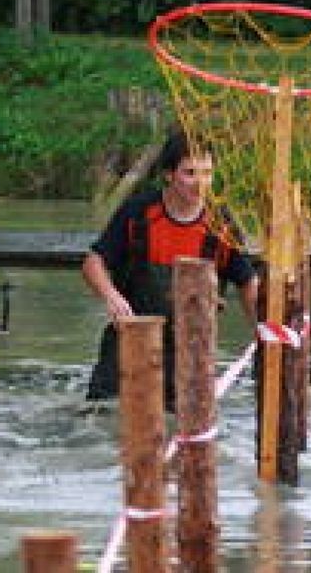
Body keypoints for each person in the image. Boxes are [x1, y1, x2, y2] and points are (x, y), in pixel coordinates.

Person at [82, 129, 258, 411]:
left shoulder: (221, 224)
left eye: (207, 173)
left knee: (188, 438)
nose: (200, 183)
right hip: (128, 349)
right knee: (104, 424)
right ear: (168, 174)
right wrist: (111, 296)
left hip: (189, 359)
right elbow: (93, 262)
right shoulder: (137, 212)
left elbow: (247, 282)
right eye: (190, 173)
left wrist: (263, 333)